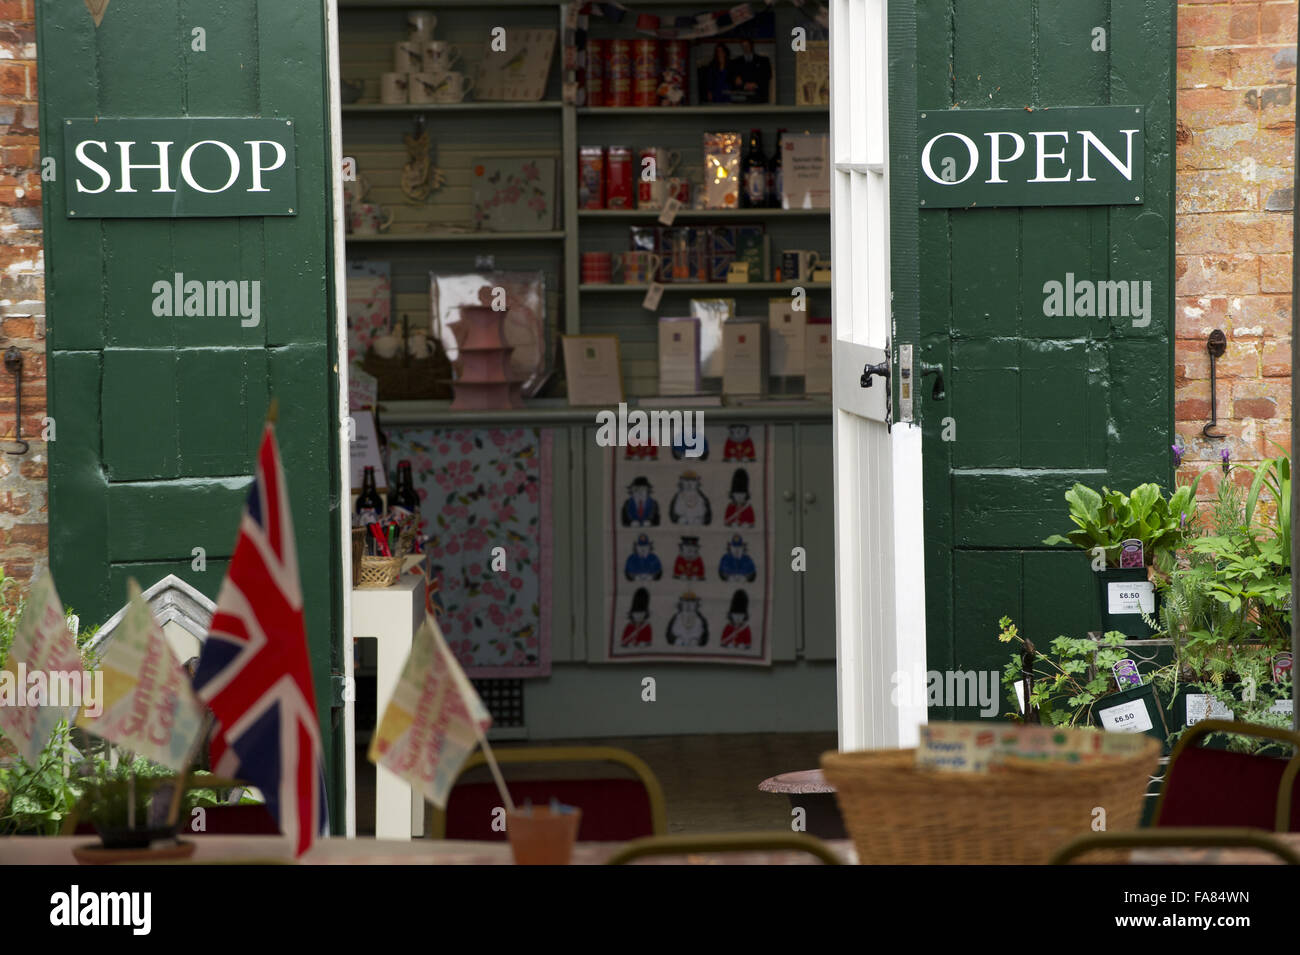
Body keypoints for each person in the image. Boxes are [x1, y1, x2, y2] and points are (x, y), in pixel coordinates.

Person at [730, 39, 772, 103]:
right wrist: (740, 82)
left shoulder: (763, 61)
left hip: (759, 97)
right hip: (742, 98)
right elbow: (732, 78)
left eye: (747, 45)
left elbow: (768, 76)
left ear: (751, 46)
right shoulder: (736, 62)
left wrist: (755, 84)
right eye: (743, 46)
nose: (745, 48)